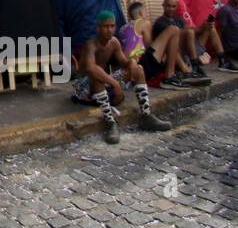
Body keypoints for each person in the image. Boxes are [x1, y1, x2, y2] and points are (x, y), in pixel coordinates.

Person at [72, 11, 171, 143]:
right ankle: (110, 122)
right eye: (105, 26)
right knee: (97, 74)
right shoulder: (91, 45)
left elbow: (124, 62)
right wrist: (115, 84)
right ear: (98, 28)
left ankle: (146, 115)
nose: (109, 30)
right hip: (84, 88)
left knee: (138, 69)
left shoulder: (114, 42)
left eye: (112, 26)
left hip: (103, 84)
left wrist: (132, 63)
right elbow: (91, 68)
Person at [150, 0, 210, 88]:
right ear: (163, 6)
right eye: (168, 6)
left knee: (204, 30)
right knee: (187, 32)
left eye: (173, 6)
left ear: (177, 7)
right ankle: (189, 70)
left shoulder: (178, 20)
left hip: (183, 53)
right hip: (169, 56)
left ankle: (197, 65)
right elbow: (169, 44)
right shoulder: (160, 22)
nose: (171, 9)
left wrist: (203, 27)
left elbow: (191, 30)